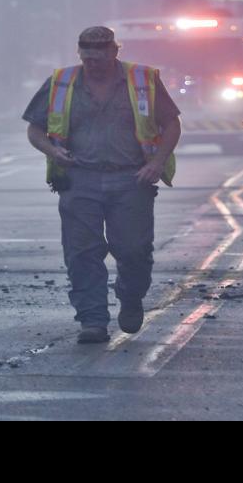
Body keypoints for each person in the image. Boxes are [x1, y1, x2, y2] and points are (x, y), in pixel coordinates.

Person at [23, 26, 182, 345]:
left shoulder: (142, 80)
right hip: (79, 179)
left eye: (99, 58)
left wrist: (156, 163)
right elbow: (35, 129)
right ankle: (92, 320)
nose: (93, 64)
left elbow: (171, 124)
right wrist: (53, 151)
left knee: (134, 250)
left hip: (131, 180)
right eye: (87, 58)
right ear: (80, 55)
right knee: (82, 253)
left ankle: (131, 296)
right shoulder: (61, 82)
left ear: (114, 52)